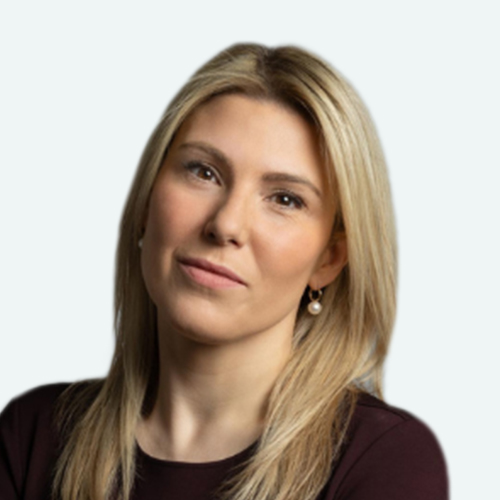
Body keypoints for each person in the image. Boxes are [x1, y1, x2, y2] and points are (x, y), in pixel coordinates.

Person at [0, 43, 448, 500]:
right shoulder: (32, 436)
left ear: (329, 260)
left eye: (285, 199)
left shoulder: (385, 460)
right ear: (146, 204)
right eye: (203, 172)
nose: (226, 225)